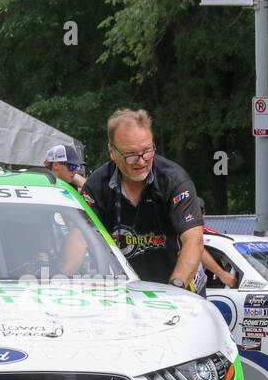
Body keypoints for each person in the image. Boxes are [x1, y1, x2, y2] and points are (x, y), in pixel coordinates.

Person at [78, 108, 204, 289]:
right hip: (125, 290)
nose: (142, 160)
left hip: (178, 283)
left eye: (147, 151)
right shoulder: (97, 186)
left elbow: (194, 241)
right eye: (131, 155)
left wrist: (175, 291)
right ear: (112, 152)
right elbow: (79, 238)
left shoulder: (174, 180)